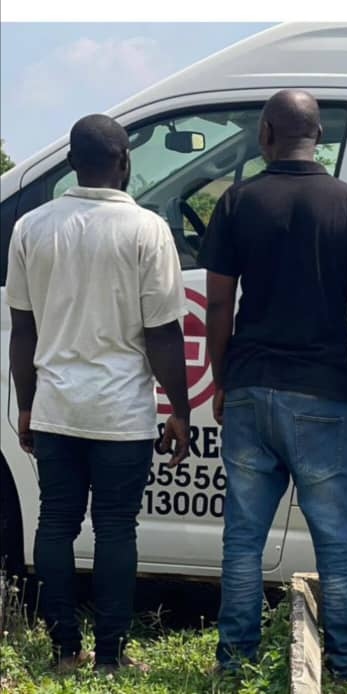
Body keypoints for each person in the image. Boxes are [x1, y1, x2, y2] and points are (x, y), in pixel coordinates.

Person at [199, 89, 347, 679]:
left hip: (252, 387)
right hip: (323, 392)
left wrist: (221, 378)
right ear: (320, 139)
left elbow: (220, 303)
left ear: (265, 134)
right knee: (335, 541)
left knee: (243, 540)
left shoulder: (236, 202)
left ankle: (234, 663)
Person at [6, 114, 191, 675]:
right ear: (125, 161)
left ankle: (65, 650)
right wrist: (179, 410)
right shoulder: (148, 230)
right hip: (120, 414)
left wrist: (26, 405)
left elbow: (24, 329)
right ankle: (109, 657)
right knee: (116, 529)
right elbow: (163, 333)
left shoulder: (31, 228)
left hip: (57, 408)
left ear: (71, 162)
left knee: (56, 524)